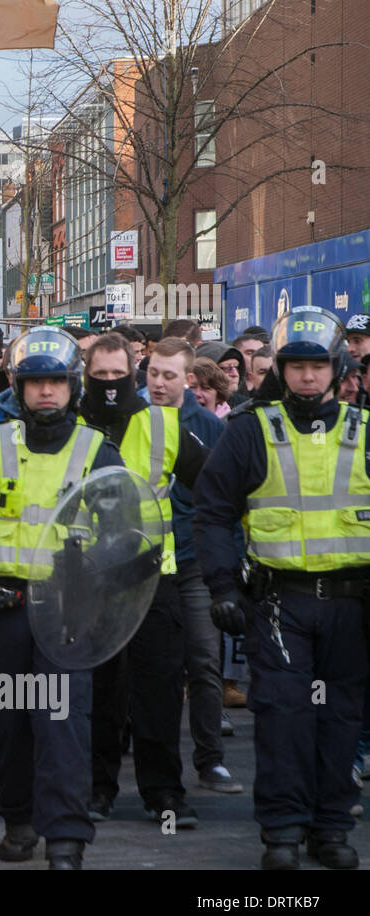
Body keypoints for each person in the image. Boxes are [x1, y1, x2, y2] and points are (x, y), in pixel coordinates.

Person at [0, 326, 123, 869]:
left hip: (67, 616)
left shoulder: (97, 451)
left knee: (62, 725)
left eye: (55, 382)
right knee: (7, 725)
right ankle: (18, 817)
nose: (44, 392)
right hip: (2, 611)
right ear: (18, 384)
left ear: (72, 386)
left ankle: (65, 838)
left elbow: (126, 531)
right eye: (34, 381)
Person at [195, 306, 369, 870]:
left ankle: (332, 827)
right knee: (284, 718)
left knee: (340, 720)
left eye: (318, 366)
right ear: (281, 371)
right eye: (296, 367)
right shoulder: (251, 431)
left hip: (352, 603)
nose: (308, 377)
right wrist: (223, 585)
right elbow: (214, 512)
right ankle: (284, 831)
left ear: (338, 368)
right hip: (278, 603)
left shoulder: (364, 433)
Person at [78, 333, 210, 826]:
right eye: (100, 375)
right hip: (92, 582)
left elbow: (215, 482)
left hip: (157, 579)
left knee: (158, 694)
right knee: (101, 695)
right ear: (86, 374)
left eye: (119, 375)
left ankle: (165, 795)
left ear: (133, 373)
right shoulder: (70, 424)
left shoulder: (163, 424)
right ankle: (97, 790)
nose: (110, 383)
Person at [144, 336, 242, 793]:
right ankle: (137, 754)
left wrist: (230, 565)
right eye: (153, 373)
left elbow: (227, 500)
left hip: (195, 563)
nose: (160, 383)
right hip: (142, 565)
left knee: (203, 660)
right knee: (145, 668)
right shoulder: (133, 422)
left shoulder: (209, 427)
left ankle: (211, 760)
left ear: (187, 378)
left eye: (169, 375)